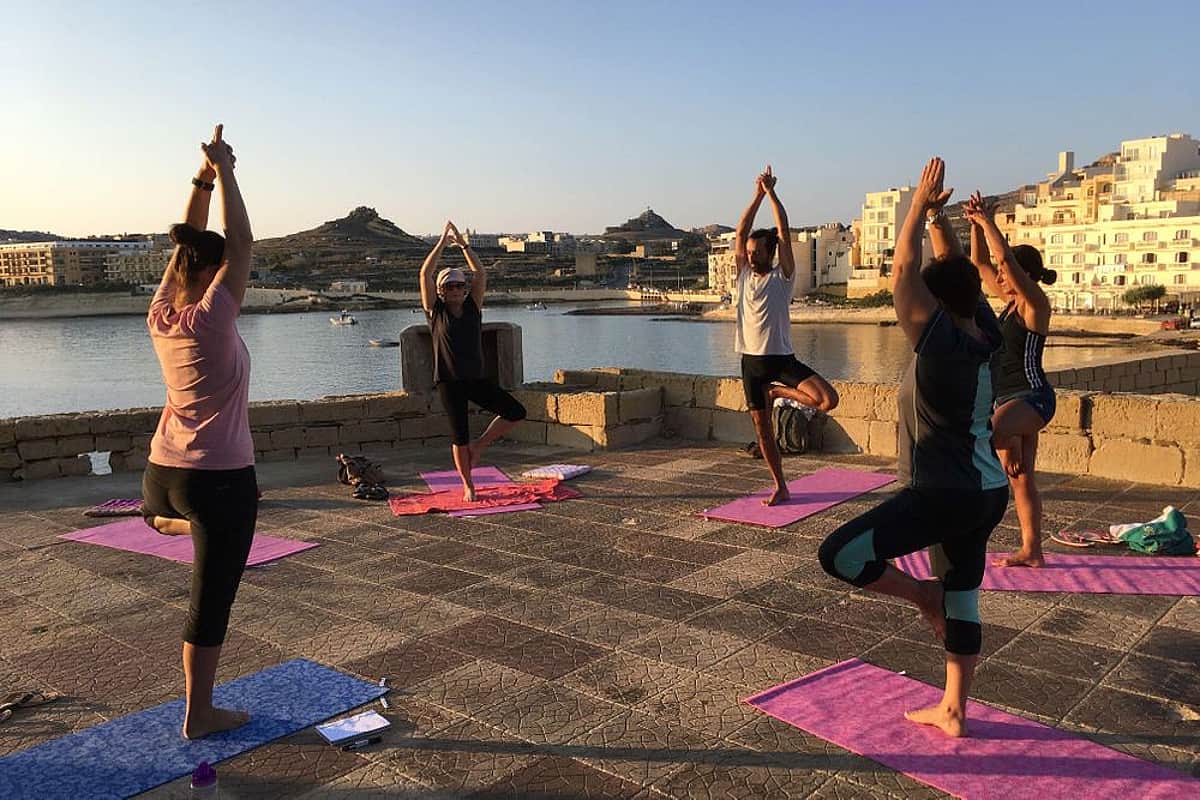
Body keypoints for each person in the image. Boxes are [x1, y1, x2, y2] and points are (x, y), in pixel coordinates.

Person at [818, 158, 1009, 738]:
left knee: (841, 556)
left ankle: (920, 595)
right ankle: (954, 708)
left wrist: (916, 209)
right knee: (965, 597)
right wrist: (936, 216)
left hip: (943, 493)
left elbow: (904, 267)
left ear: (934, 300)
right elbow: (953, 272)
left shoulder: (942, 345)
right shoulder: (985, 330)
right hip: (986, 491)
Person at [140, 125, 257, 739]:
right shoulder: (213, 318)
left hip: (162, 476)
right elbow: (240, 242)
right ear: (213, 275)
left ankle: (195, 529)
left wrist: (201, 180)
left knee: (157, 516)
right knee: (211, 601)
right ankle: (199, 714)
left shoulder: (162, 313)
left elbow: (188, 246)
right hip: (221, 480)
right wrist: (229, 170)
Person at [957, 192, 1058, 568]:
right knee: (1021, 480)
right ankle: (1033, 550)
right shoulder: (1010, 303)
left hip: (1033, 399)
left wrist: (988, 222)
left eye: (1009, 273)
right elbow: (981, 262)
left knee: (987, 433)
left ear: (1025, 275)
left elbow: (1003, 261)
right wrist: (973, 224)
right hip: (1009, 402)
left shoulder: (1035, 306)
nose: (999, 277)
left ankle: (971, 529)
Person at [732, 165, 838, 505]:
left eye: (756, 252)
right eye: (748, 252)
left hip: (781, 361)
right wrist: (756, 196)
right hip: (751, 363)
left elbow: (784, 228)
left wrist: (773, 194)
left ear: (770, 252)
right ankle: (780, 484)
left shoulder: (783, 276)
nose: (750, 255)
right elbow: (740, 231)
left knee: (828, 400)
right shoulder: (743, 275)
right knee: (762, 432)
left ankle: (778, 391)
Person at [420, 221, 526, 501]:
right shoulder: (435, 311)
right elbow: (425, 273)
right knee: (459, 437)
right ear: (442, 291)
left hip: (476, 379)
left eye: (459, 285)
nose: (455, 289)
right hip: (449, 382)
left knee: (515, 412)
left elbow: (480, 273)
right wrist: (442, 241)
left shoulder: (473, 307)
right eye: (450, 286)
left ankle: (480, 446)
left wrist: (464, 244)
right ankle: (468, 484)